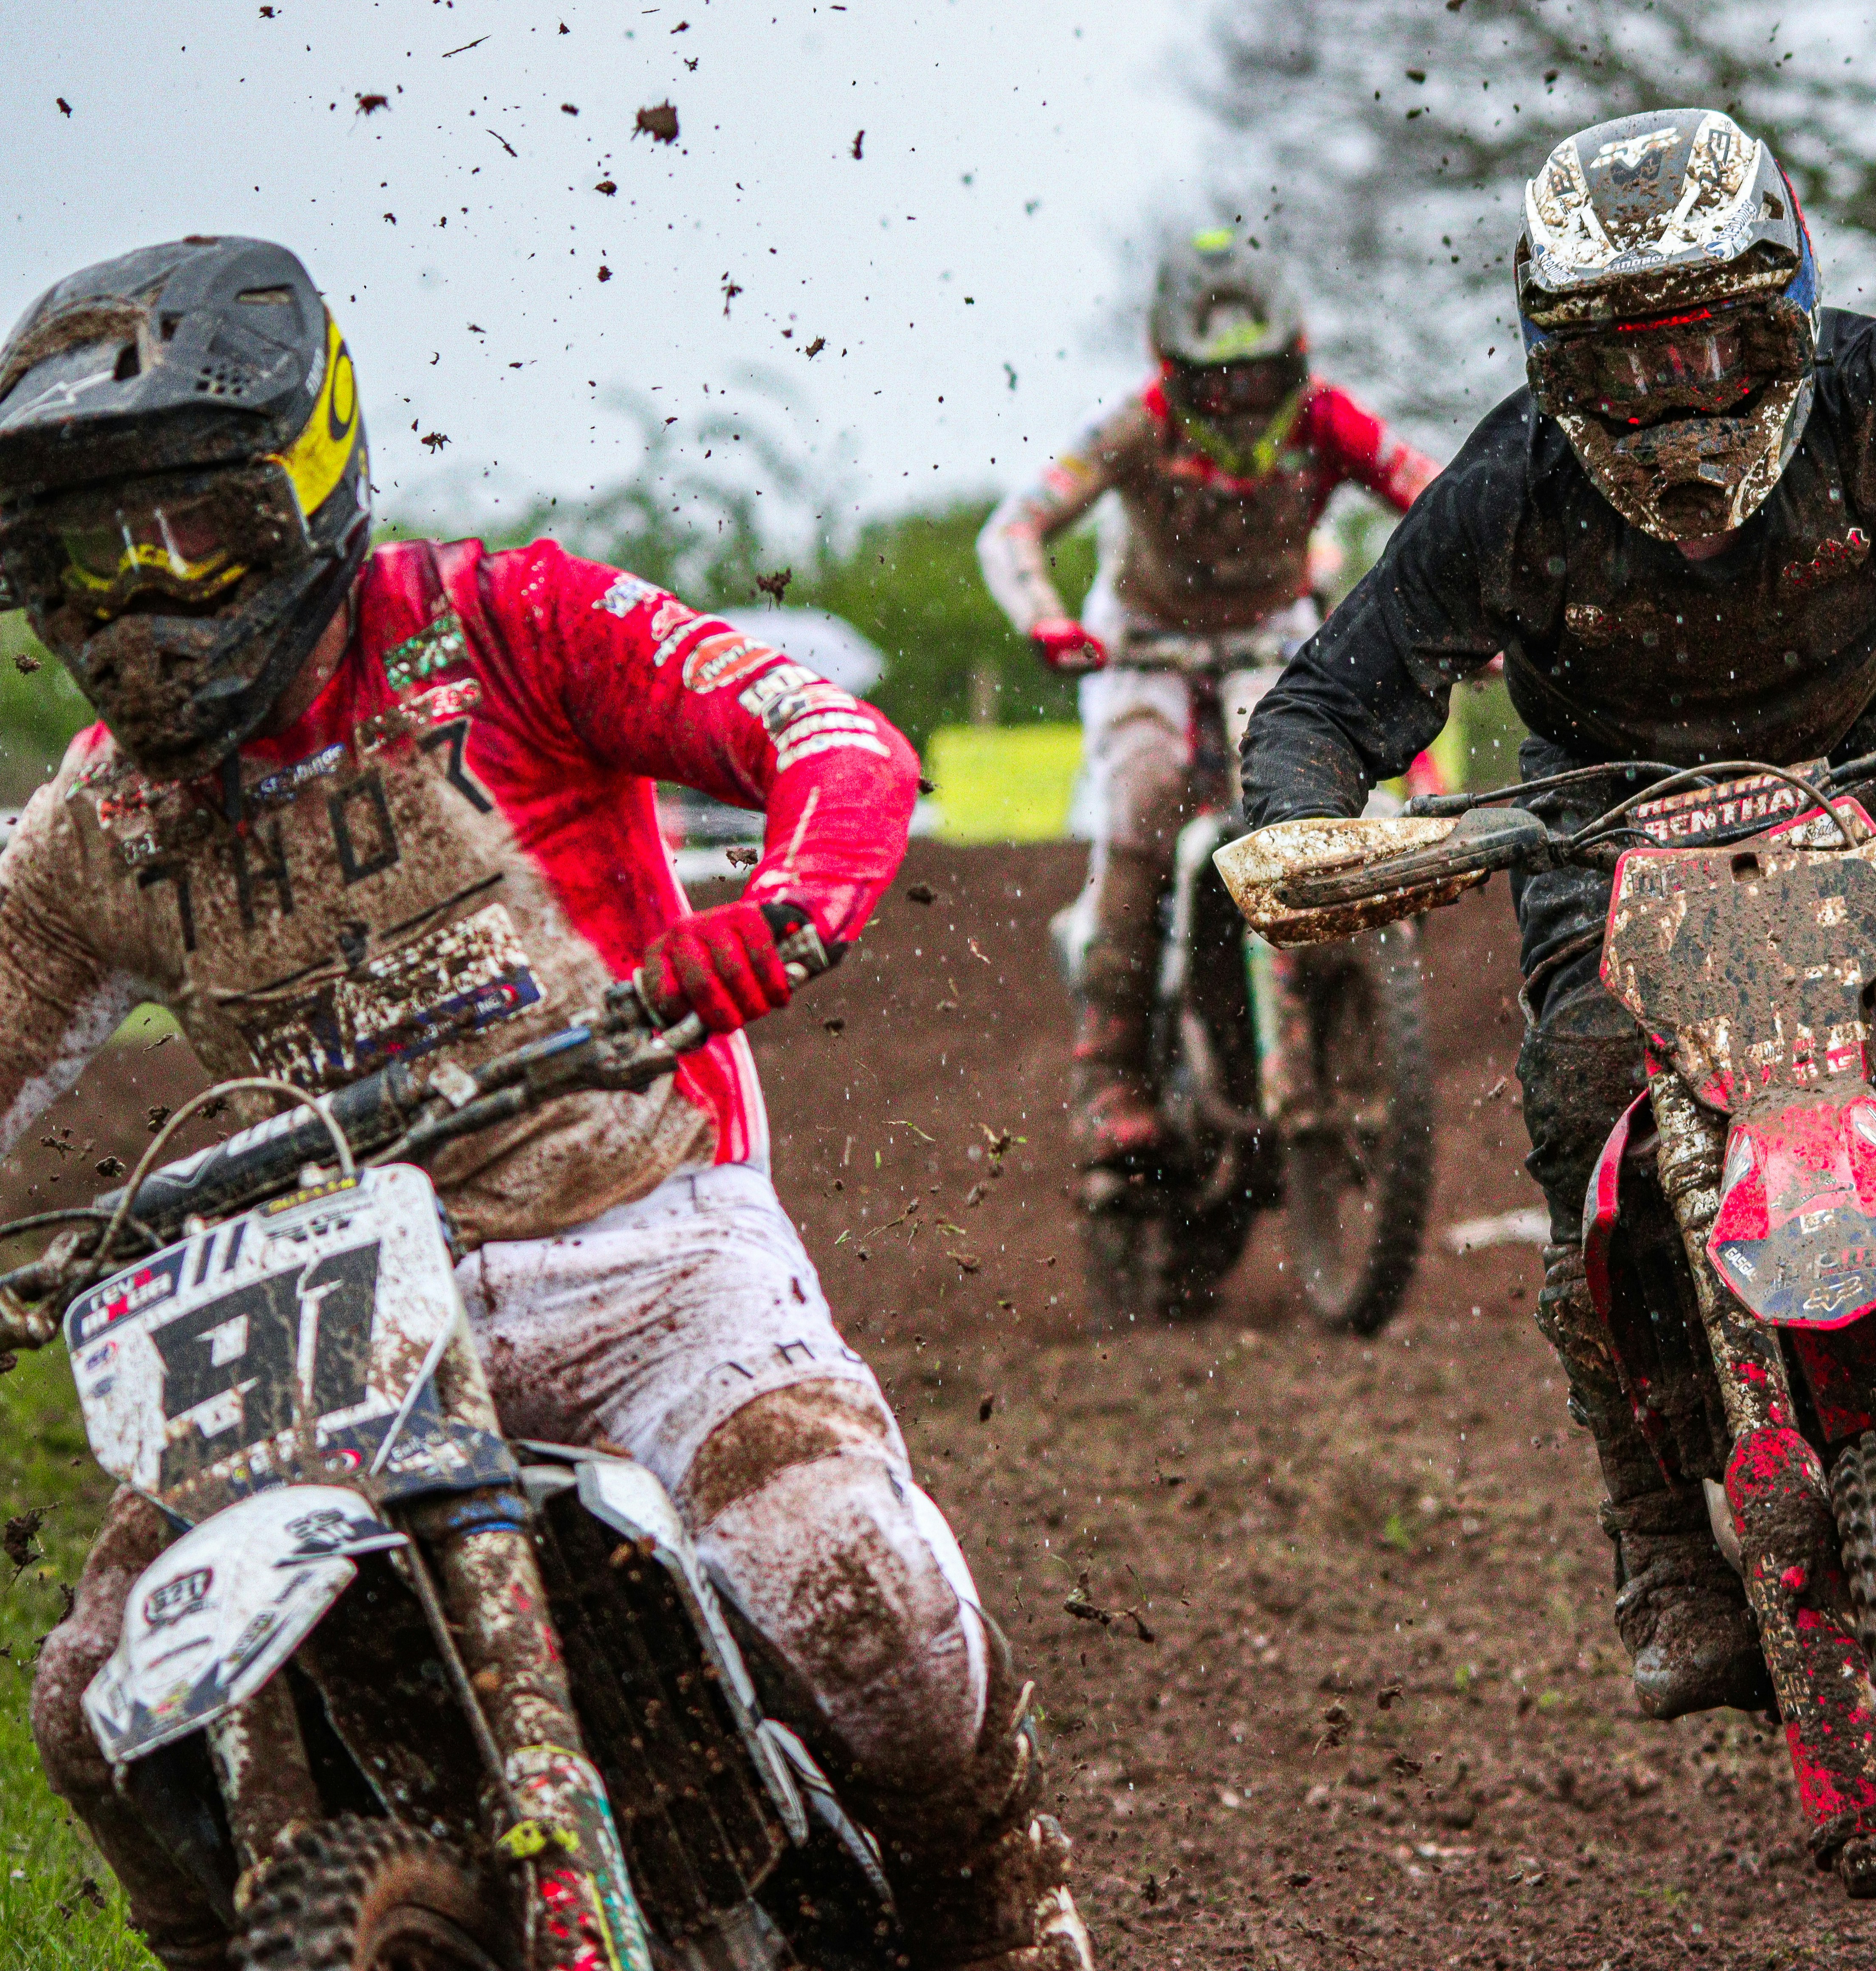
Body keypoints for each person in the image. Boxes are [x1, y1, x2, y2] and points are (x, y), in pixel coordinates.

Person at [0, 238, 1087, 1971]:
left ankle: (994, 1888)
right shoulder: (100, 821)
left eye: (178, 535)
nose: (132, 604)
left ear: (299, 484)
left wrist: (782, 910)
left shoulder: (495, 625)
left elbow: (832, 733)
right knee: (88, 1700)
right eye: (79, 557)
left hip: (633, 1228)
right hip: (311, 1313)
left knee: (840, 1570)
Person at [1240, 110, 1876, 1722]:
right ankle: (1661, 1541)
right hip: (1602, 817)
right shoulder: (1507, 493)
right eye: (1626, 367)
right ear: (1561, 372)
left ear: (1795, 311)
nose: (1677, 401)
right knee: (1579, 1098)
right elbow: (1329, 697)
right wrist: (1293, 824)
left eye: (1719, 343)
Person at [980, 226, 1439, 1165]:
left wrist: (1473, 602)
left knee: (1307, 797)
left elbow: (1440, 505)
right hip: (1142, 642)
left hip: (1273, 639)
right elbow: (1017, 525)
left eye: (1259, 379)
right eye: (1215, 383)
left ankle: (1332, 990)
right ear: (1171, 372)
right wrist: (1044, 618)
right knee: (1146, 809)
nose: (1237, 405)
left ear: (1296, 362)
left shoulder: (1331, 422)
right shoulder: (1136, 425)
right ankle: (1111, 1078)